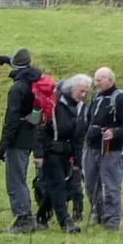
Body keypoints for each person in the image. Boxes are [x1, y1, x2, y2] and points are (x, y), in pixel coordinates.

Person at [0, 48, 42, 234]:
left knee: (15, 180)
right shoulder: (33, 80)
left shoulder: (17, 88)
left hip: (17, 139)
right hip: (30, 135)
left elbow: (12, 119)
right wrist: (8, 60)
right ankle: (26, 217)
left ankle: (23, 219)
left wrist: (2, 146)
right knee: (20, 176)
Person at [34, 74, 89, 234]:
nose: (84, 95)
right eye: (81, 91)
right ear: (71, 89)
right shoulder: (52, 103)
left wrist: (78, 160)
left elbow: (79, 136)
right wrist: (38, 154)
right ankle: (65, 222)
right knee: (58, 185)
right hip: (50, 151)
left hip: (67, 153)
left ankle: (41, 217)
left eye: (86, 91)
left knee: (56, 186)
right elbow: (38, 127)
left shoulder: (81, 108)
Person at [83, 67, 123, 230]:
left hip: (110, 149)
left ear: (110, 80)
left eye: (99, 80)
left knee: (111, 185)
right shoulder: (96, 97)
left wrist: (113, 132)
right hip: (92, 146)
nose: (95, 83)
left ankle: (112, 221)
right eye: (95, 79)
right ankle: (98, 213)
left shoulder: (119, 98)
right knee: (90, 185)